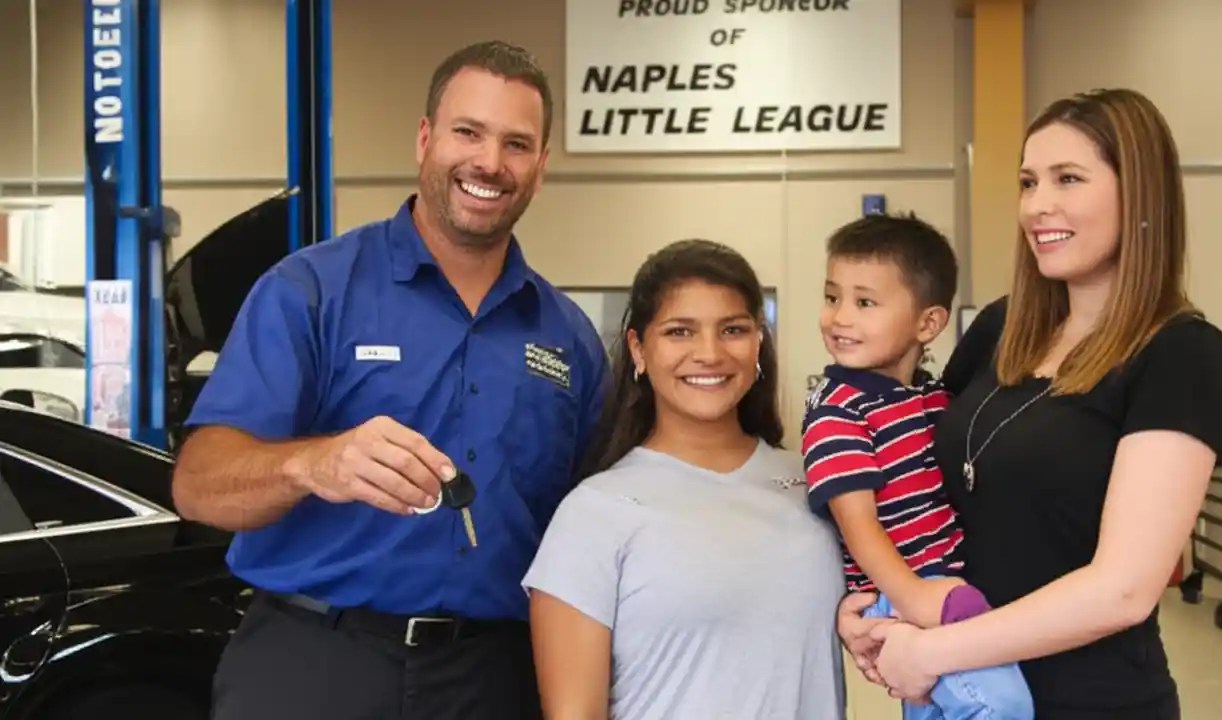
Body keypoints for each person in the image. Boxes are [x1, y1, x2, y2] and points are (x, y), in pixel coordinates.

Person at [170, 41, 609, 720]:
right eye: (468, 132)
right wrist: (314, 464)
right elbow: (198, 484)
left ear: (542, 167)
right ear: (426, 138)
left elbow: (600, 526)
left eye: (516, 144)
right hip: (313, 664)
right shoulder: (310, 292)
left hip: (495, 678)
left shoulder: (569, 339)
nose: (490, 163)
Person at [841, 88, 1222, 720]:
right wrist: (875, 597)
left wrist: (936, 650)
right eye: (1028, 182)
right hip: (957, 695)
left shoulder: (1183, 354)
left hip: (1089, 701)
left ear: (1140, 197)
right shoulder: (1000, 328)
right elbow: (910, 478)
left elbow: (1124, 590)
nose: (1037, 206)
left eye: (1068, 179)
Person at [521, 240, 847, 719]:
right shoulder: (593, 512)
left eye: (733, 329)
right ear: (639, 349)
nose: (709, 353)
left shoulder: (818, 484)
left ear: (759, 340)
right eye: (680, 332)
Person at [802, 213, 1033, 719]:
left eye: (864, 302)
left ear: (928, 323)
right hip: (905, 591)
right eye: (831, 296)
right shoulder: (838, 410)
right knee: (1001, 705)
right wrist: (913, 597)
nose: (839, 317)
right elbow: (856, 524)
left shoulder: (931, 398)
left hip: (938, 586)